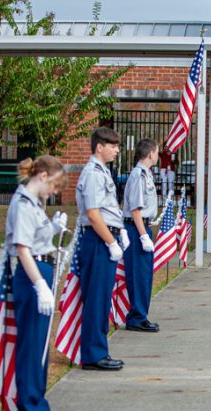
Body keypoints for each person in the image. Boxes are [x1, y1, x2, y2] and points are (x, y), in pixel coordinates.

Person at [6, 156, 68, 411]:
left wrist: (52, 229)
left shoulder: (34, 204)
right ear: (42, 176)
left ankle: (38, 406)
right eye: (53, 185)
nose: (53, 192)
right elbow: (23, 249)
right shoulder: (22, 204)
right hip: (31, 275)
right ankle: (30, 410)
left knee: (40, 344)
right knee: (32, 345)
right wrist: (40, 285)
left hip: (41, 270)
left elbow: (35, 239)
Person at [76, 126, 126, 371]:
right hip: (98, 240)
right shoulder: (94, 174)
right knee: (96, 298)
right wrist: (111, 242)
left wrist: (119, 232)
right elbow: (93, 214)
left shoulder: (103, 171)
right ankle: (93, 354)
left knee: (102, 297)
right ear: (99, 147)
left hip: (104, 237)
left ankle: (99, 350)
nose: (116, 150)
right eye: (113, 146)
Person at [122, 138, 161, 333]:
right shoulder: (138, 175)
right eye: (157, 152)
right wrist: (144, 236)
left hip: (143, 227)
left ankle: (140, 315)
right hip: (137, 228)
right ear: (150, 153)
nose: (158, 155)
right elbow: (135, 209)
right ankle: (136, 317)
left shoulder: (146, 174)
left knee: (144, 274)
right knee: (138, 275)